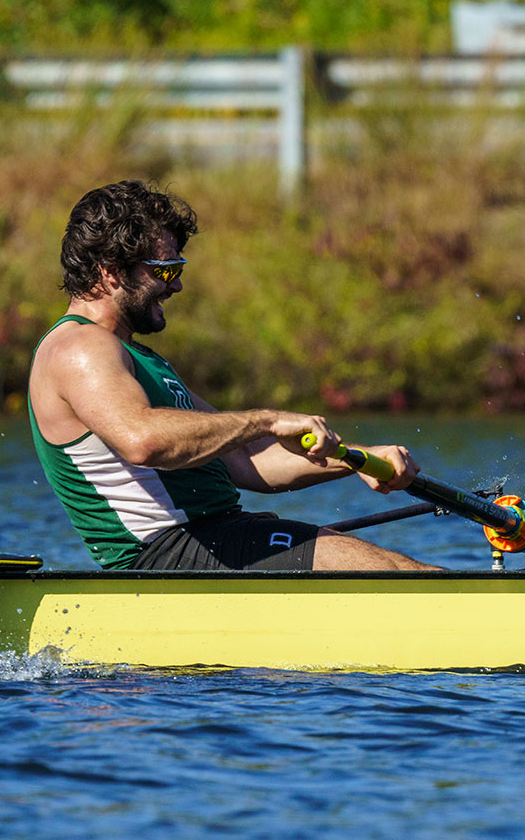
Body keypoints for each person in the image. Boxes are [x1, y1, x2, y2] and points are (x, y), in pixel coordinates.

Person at [27, 180, 439, 571]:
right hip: (165, 554)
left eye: (178, 268)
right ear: (111, 270)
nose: (177, 285)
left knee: (391, 567)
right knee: (394, 572)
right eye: (165, 271)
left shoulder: (132, 356)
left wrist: (359, 459)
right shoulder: (79, 347)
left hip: (211, 539)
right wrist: (267, 420)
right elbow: (143, 440)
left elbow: (247, 460)